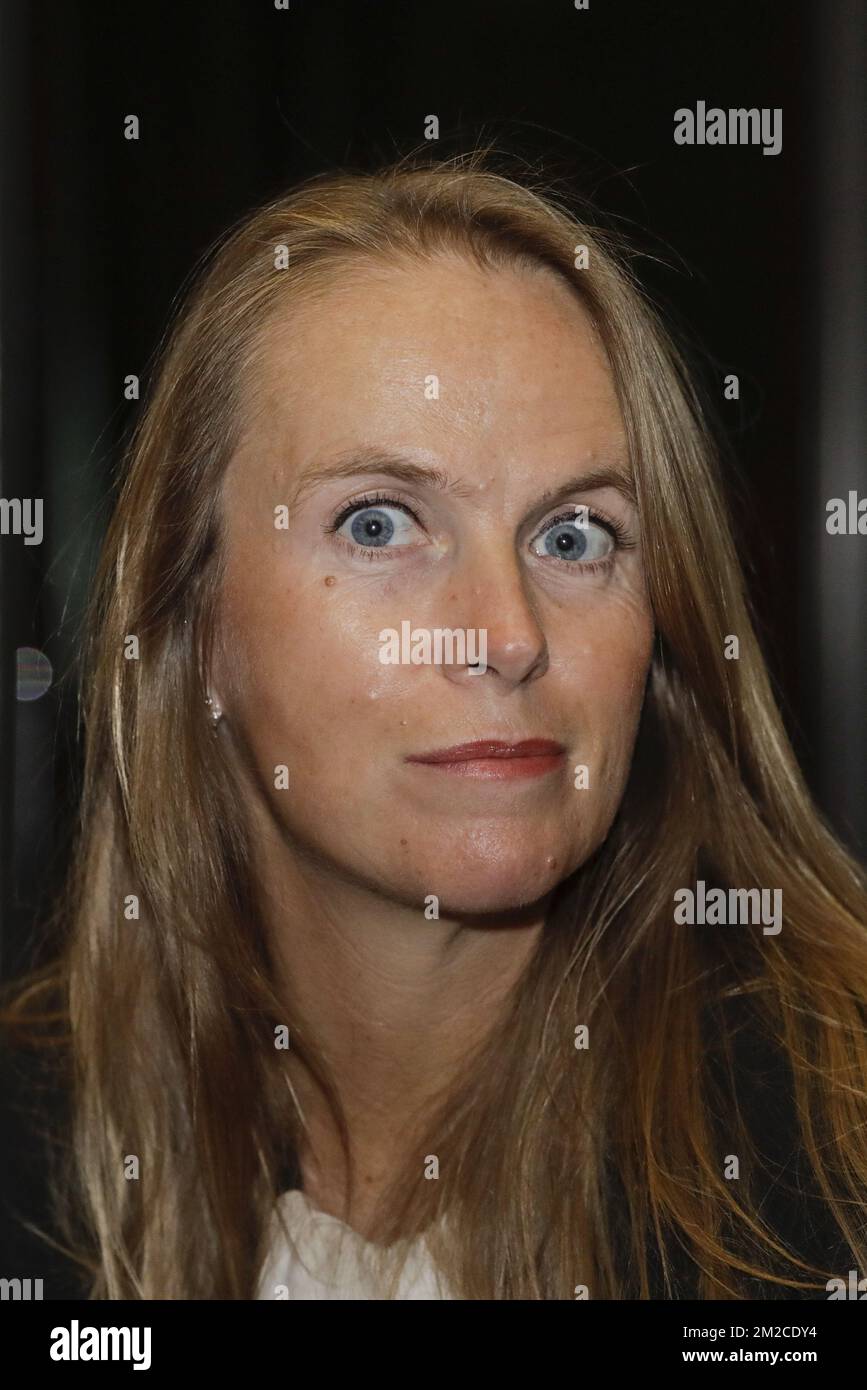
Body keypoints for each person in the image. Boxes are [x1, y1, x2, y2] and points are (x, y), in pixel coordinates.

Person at [5, 149, 867, 1300]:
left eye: (575, 536)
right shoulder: (36, 1154)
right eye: (377, 525)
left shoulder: (828, 1165)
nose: (506, 634)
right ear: (192, 619)